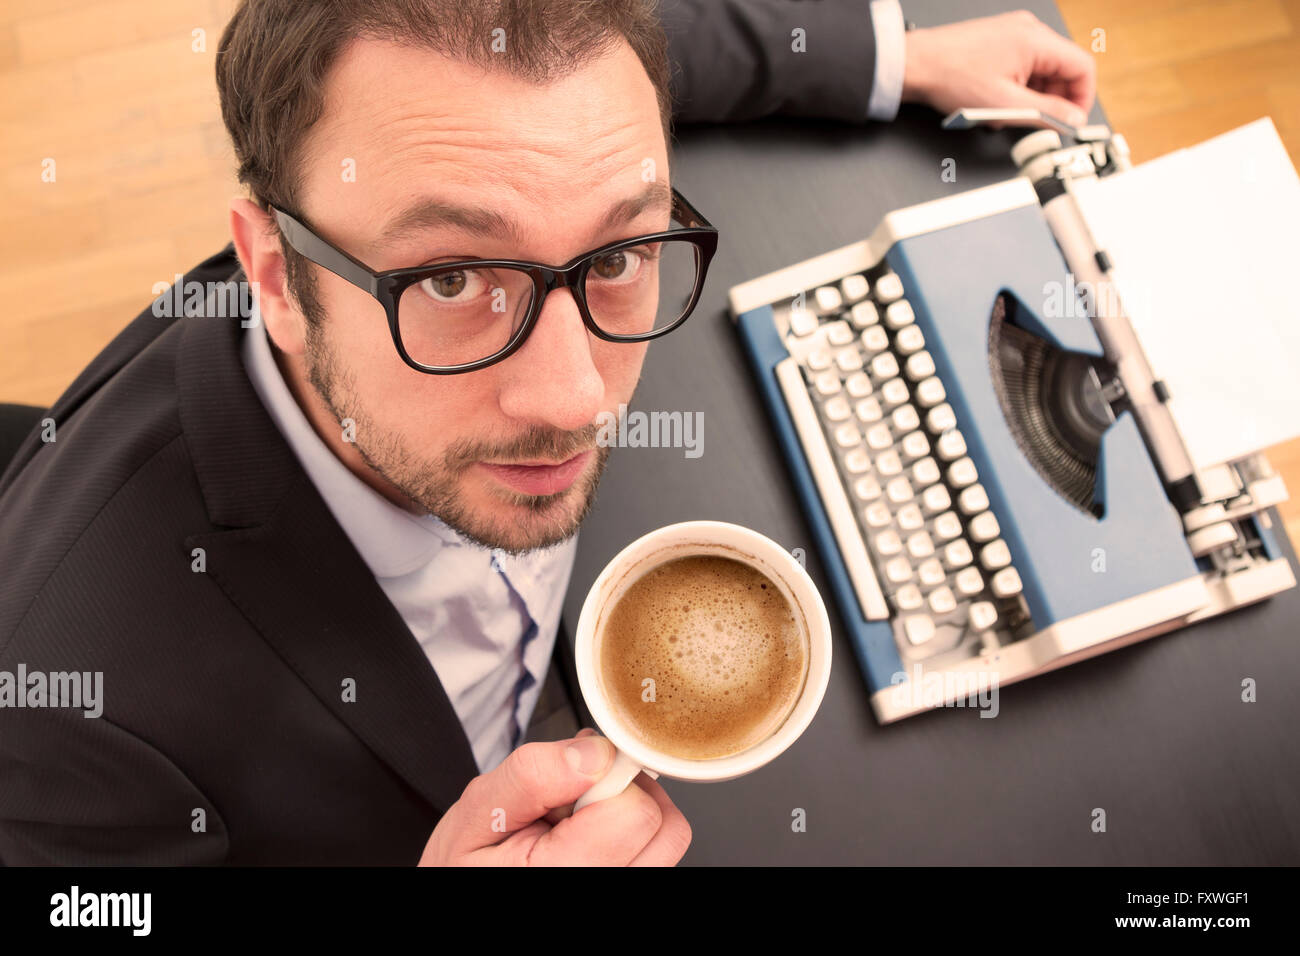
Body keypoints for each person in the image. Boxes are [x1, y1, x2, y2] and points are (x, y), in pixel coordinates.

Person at [0, 0, 1095, 866]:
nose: (577, 399)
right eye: (452, 277)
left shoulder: (528, 124)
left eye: (619, 255)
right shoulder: (66, 718)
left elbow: (594, 78)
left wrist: (894, 54)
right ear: (278, 276)